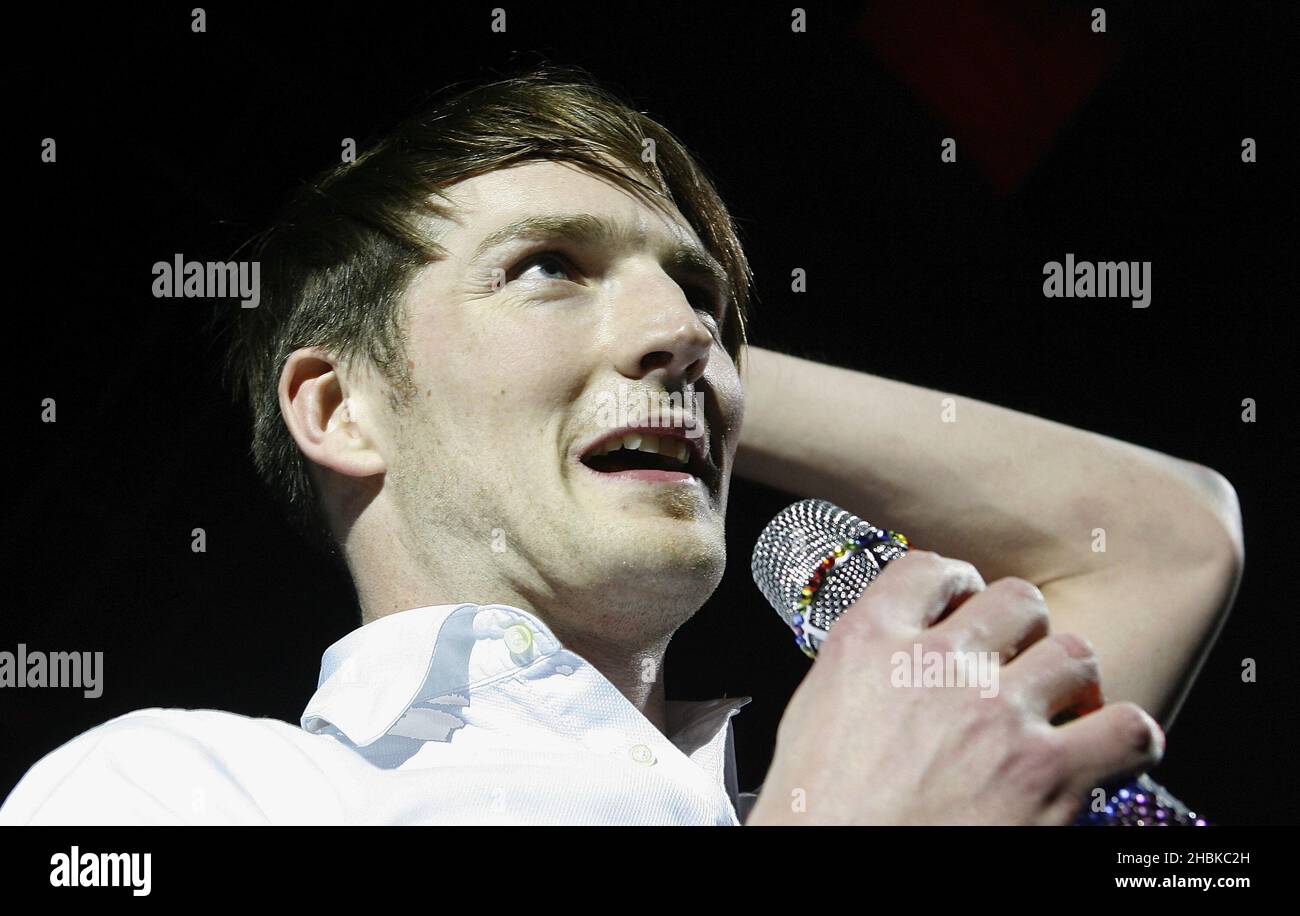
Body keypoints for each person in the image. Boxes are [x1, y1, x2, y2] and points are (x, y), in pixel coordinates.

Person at [0, 65, 1243, 825]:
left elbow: (1166, 541)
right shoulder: (177, 794)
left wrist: (672, 368)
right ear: (338, 408)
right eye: (545, 265)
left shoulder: (884, 783)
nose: (684, 330)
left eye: (700, 295)